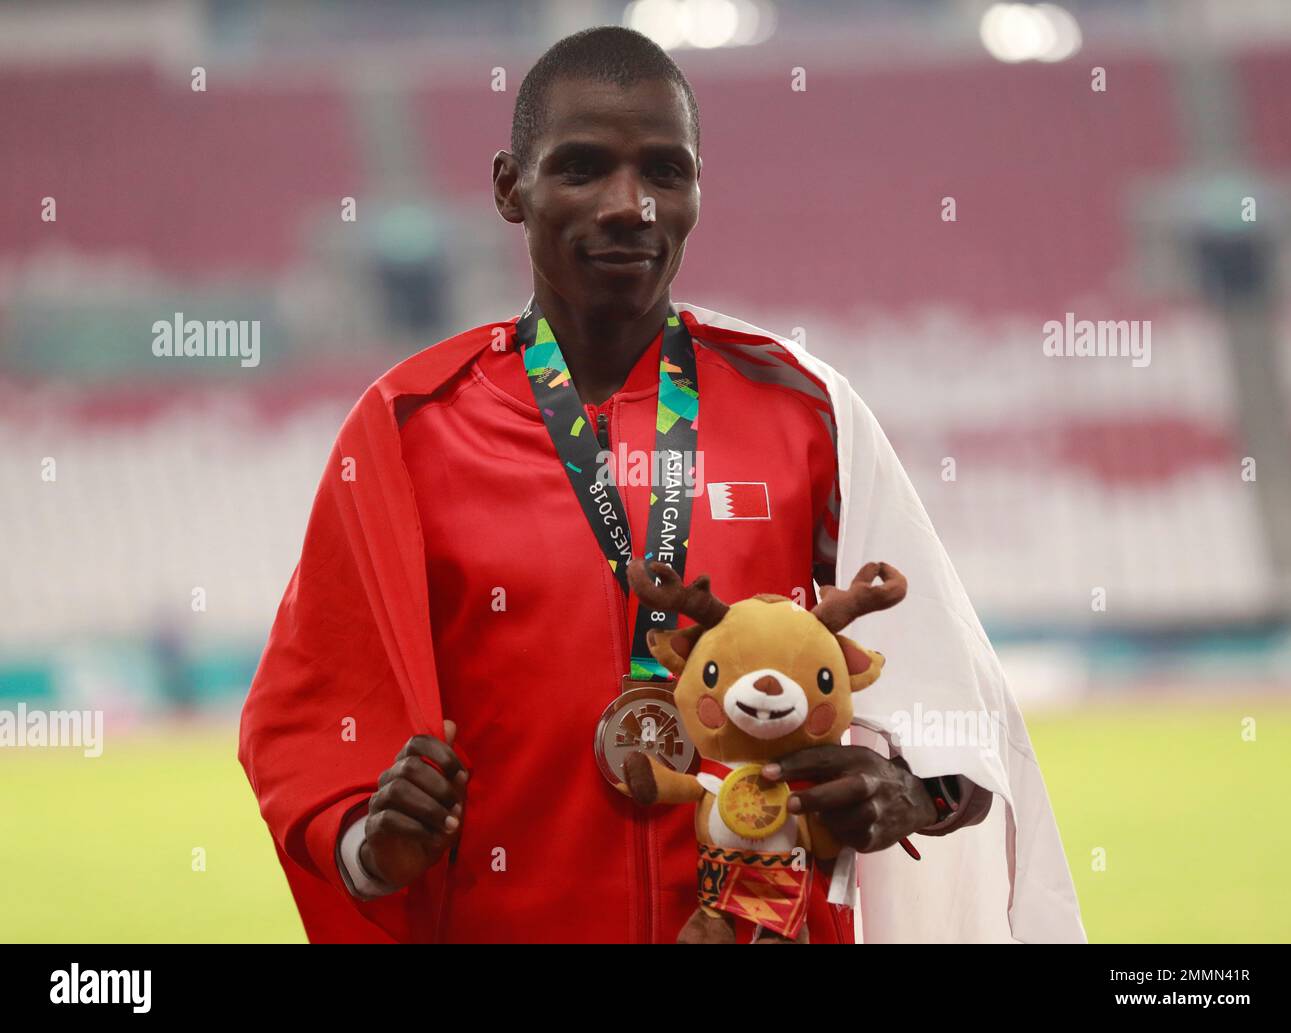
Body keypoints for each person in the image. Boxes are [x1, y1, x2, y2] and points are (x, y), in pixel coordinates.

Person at [238, 25, 1084, 944]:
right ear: (508, 188)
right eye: (583, 168)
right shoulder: (409, 427)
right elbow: (311, 715)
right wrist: (375, 845)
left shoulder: (806, 412)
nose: (629, 205)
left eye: (665, 172)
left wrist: (914, 794)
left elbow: (956, 701)